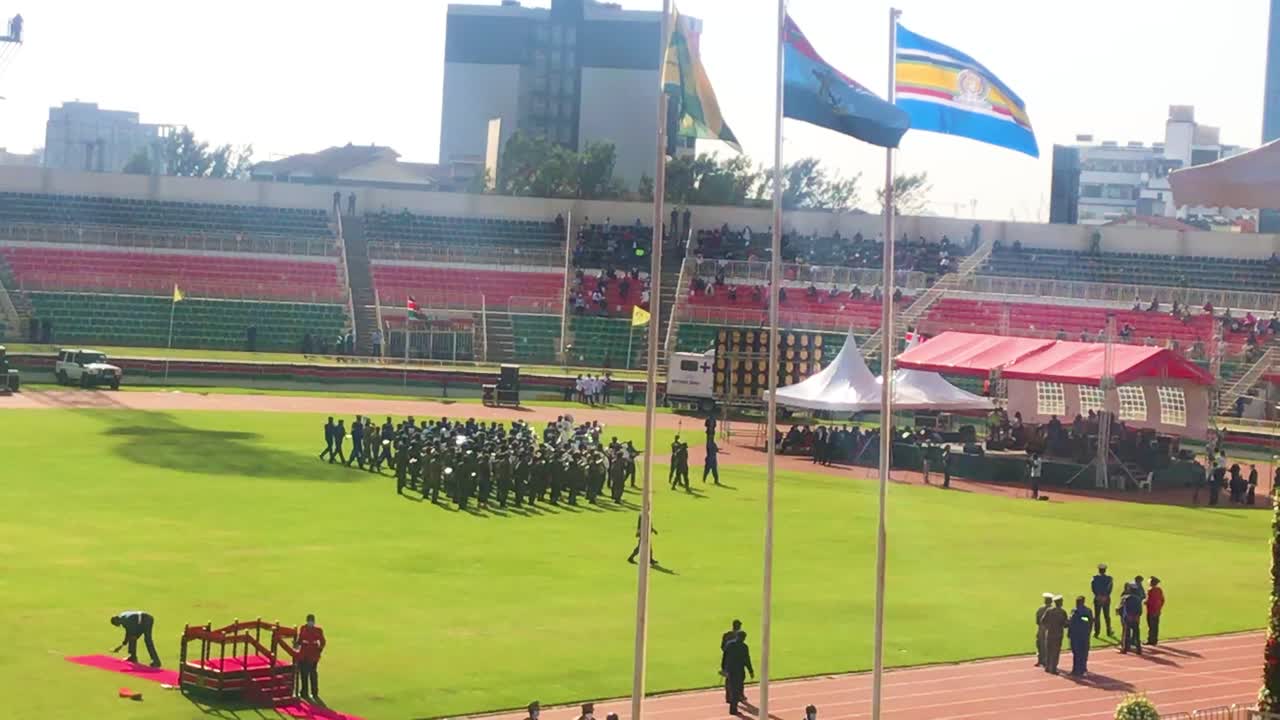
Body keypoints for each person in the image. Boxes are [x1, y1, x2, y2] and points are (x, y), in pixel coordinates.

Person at [722, 630, 755, 715]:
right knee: (736, 690)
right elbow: (747, 660)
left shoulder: (729, 644)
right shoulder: (744, 647)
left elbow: (725, 657)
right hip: (739, 671)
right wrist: (750, 671)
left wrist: (723, 668)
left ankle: (729, 700)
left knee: (730, 686)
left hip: (730, 670)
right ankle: (733, 709)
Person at [294, 613, 326, 700]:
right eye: (309, 621)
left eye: (312, 621)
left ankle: (314, 692)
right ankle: (304, 692)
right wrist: (296, 644)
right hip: (303, 654)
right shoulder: (303, 628)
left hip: (313, 655)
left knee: (312, 673)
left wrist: (319, 650)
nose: (311, 623)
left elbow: (323, 642)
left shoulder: (318, 630)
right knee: (303, 674)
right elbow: (300, 639)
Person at [1039, 595, 1068, 674]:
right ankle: (1053, 668)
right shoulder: (1062, 612)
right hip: (1058, 634)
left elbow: (1042, 621)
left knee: (1049, 650)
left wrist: (1048, 627)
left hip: (1049, 633)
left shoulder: (1049, 610)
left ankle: (1048, 667)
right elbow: (1065, 624)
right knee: (1056, 651)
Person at [1068, 596, 1094, 677]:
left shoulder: (1085, 611)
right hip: (1079, 634)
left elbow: (1089, 620)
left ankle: (1080, 669)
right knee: (1079, 653)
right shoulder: (1075, 611)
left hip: (1080, 634)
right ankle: (1078, 669)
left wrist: (1080, 618)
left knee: (1080, 652)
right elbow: (1071, 622)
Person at [1118, 583, 1143, 655]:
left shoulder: (1125, 598)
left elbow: (1123, 608)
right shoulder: (1138, 599)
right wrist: (1137, 616)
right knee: (1137, 633)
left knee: (1126, 633)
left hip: (1128, 617)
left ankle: (1125, 649)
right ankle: (1138, 649)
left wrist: (1121, 613)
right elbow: (1140, 609)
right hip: (1135, 618)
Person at [1091, 563, 1114, 638]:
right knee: (1107, 616)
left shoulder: (1095, 578)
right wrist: (1105, 596)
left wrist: (1098, 595)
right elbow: (1110, 589)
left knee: (1097, 616)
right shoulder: (1109, 578)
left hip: (1097, 598)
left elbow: (1093, 588)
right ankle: (1109, 631)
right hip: (1106, 599)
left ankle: (1096, 632)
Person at [1035, 592, 1053, 667]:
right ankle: (1046, 661)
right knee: (1047, 646)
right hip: (1050, 629)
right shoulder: (1053, 609)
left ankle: (1041, 660)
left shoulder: (1041, 609)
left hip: (1041, 629)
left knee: (1040, 645)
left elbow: (1037, 621)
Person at [1145, 577, 1164, 646]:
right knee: (1155, 626)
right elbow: (1162, 600)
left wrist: (1145, 602)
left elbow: (1149, 601)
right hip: (1157, 611)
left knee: (1151, 626)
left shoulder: (1150, 590)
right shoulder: (1159, 590)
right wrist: (1159, 608)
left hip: (1151, 611)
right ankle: (1155, 640)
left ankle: (1150, 640)